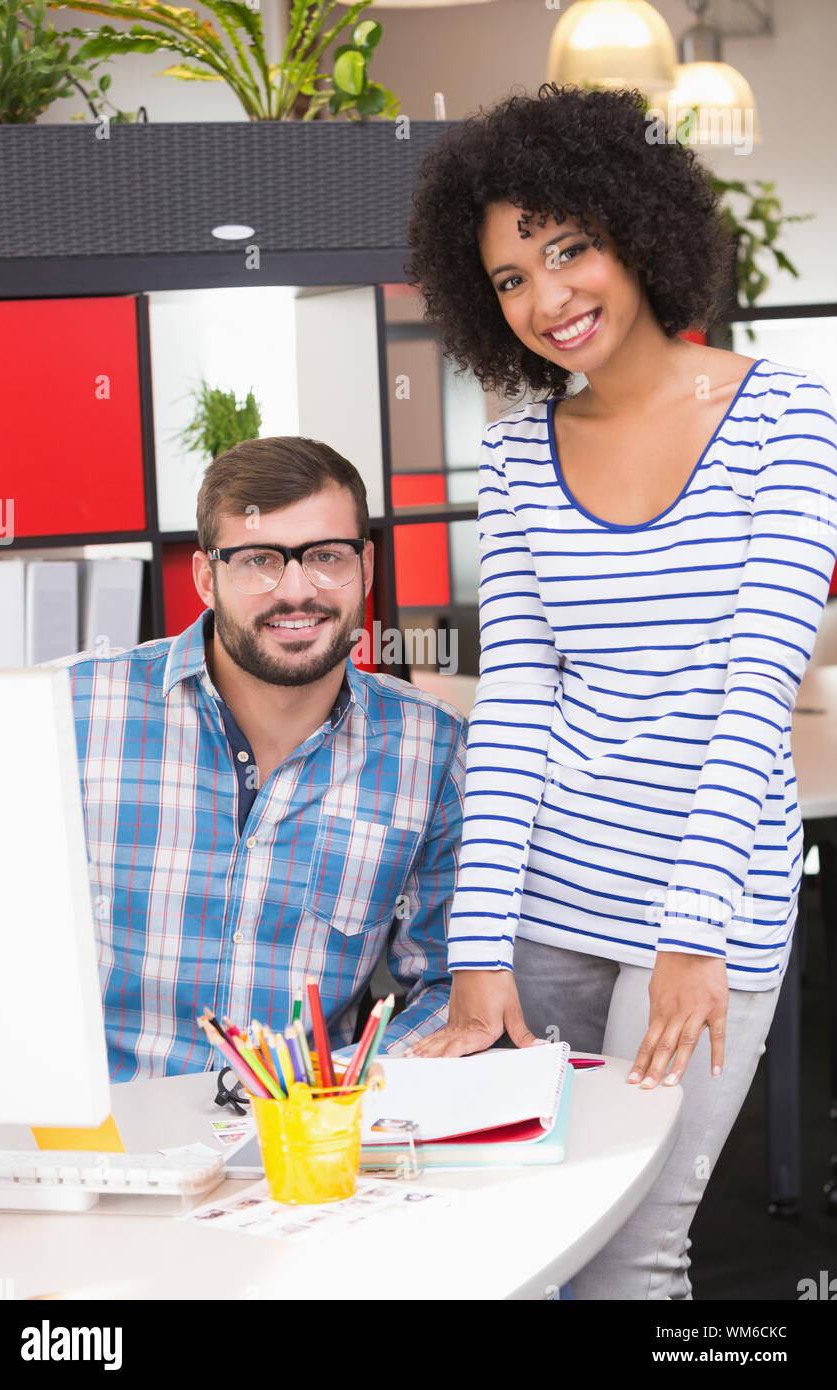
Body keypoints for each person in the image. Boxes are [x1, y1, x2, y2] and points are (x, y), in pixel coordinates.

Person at [403, 83, 837, 1298]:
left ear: (634, 229)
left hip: (699, 920)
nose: (547, 300)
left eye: (567, 250)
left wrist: (691, 933)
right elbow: (518, 706)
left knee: (629, 1259)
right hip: (543, 906)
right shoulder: (514, 449)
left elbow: (756, 688)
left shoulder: (786, 417)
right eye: (507, 279)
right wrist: (477, 947)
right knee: (516, 1251)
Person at [63, 436, 466, 1080]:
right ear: (205, 578)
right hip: (97, 1133)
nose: (297, 592)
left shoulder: (432, 749)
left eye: (327, 557)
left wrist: (334, 1096)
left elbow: (452, 986)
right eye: (258, 560)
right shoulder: (73, 709)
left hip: (300, 1142)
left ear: (366, 568)